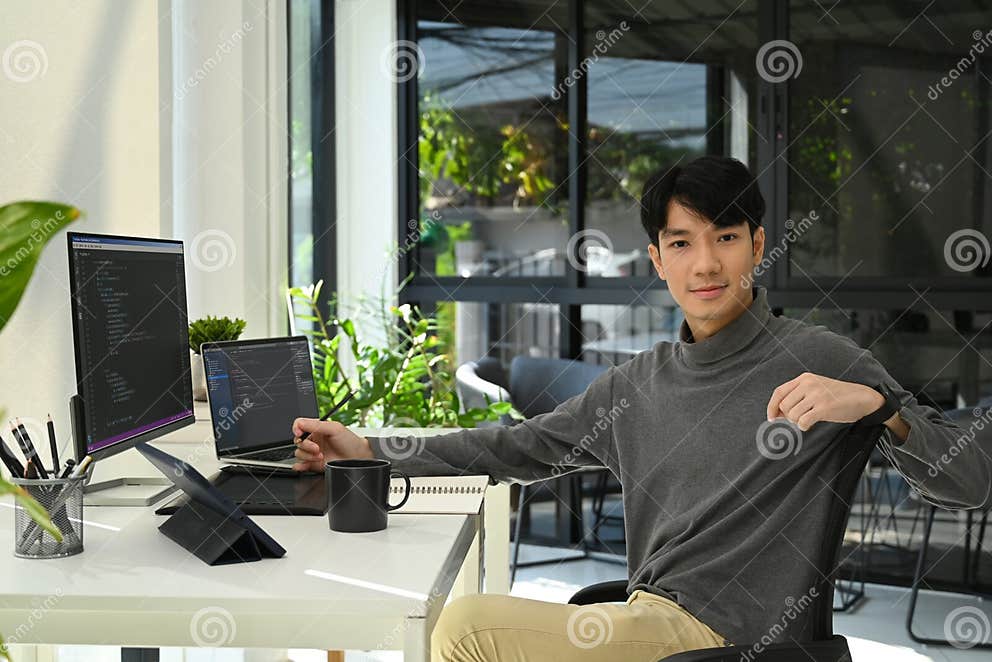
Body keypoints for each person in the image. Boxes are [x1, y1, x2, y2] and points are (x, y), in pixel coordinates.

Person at [292, 156, 992, 662]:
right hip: (645, 623)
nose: (706, 264)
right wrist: (370, 448)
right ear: (658, 261)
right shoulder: (635, 386)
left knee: (466, 629)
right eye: (682, 244)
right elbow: (510, 448)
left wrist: (879, 408)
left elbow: (968, 481)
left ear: (757, 246)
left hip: (728, 642)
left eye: (725, 238)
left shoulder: (821, 359)